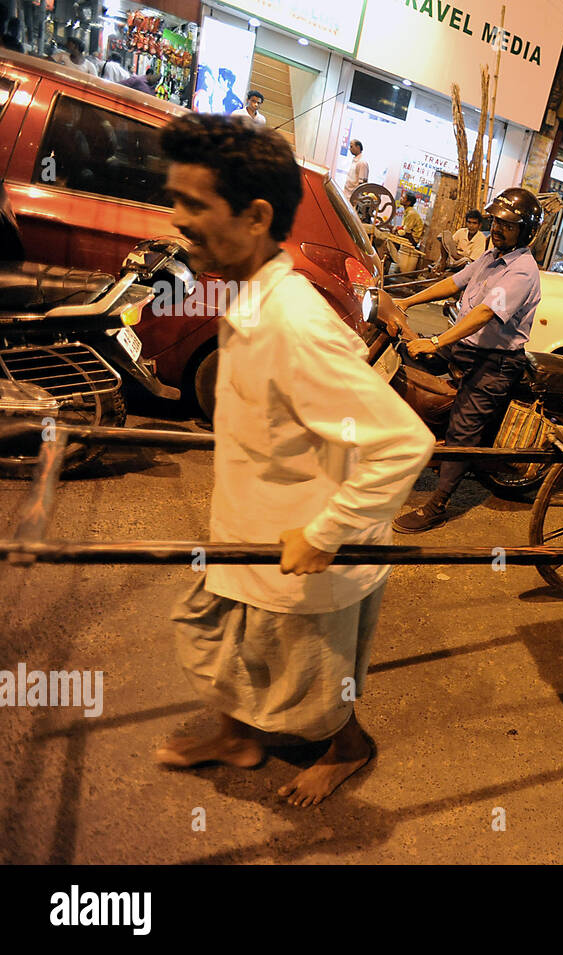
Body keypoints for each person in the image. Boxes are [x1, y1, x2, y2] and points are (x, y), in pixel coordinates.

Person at [152, 114, 435, 806]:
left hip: (302, 542)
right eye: (177, 199)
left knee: (312, 684)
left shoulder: (296, 323)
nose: (177, 220)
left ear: (254, 216)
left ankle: (350, 749)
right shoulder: (247, 291)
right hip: (249, 523)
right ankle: (235, 734)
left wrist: (323, 532)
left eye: (194, 205)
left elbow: (403, 441)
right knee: (224, 647)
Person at [391, 188, 543, 532]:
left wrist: (435, 341)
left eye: (508, 224)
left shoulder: (521, 271)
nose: (498, 228)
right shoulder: (490, 257)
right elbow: (452, 282)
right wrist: (405, 302)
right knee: (402, 361)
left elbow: (486, 313)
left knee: (463, 430)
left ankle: (438, 503)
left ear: (526, 231)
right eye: (496, 221)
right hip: (464, 346)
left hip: (494, 362)